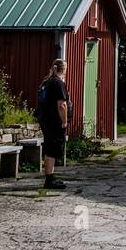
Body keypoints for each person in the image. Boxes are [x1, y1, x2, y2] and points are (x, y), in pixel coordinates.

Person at [37, 58, 70, 190]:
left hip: (45, 120)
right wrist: (64, 121)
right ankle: (49, 180)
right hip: (55, 121)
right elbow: (62, 105)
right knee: (53, 149)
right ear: (63, 69)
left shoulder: (46, 83)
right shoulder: (58, 83)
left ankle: (50, 177)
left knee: (49, 148)